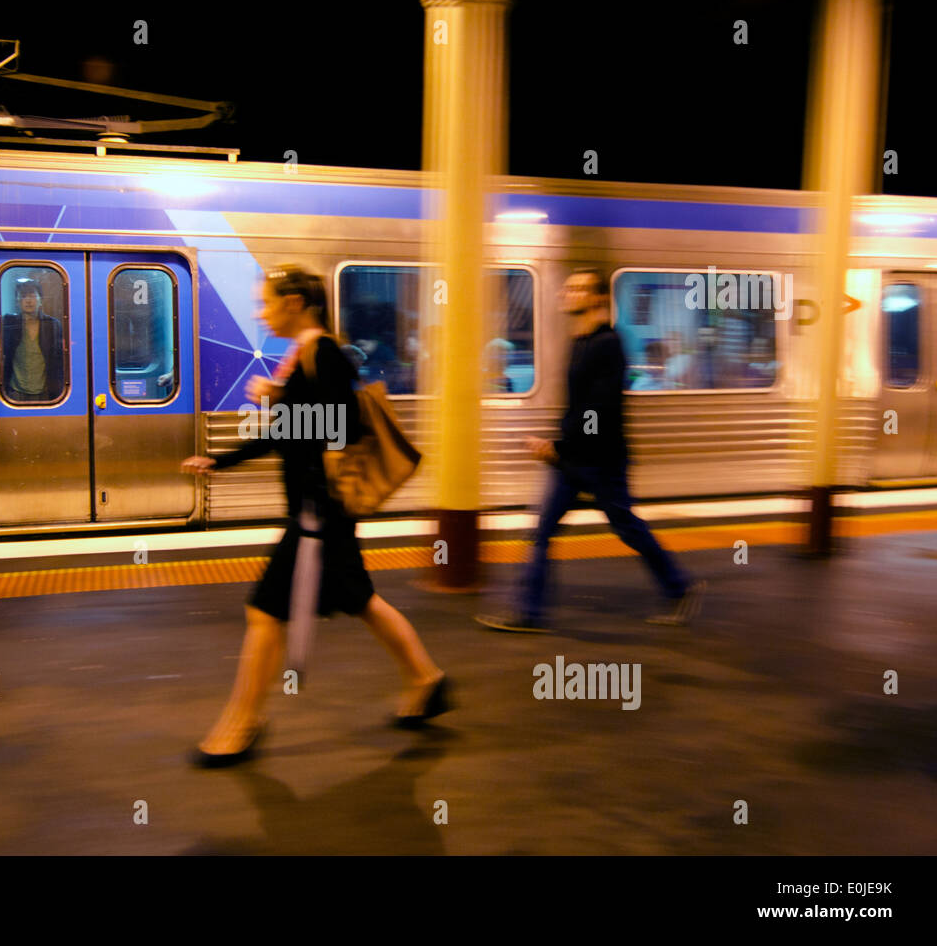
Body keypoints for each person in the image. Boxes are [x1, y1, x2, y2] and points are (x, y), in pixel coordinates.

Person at [181, 264, 449, 766]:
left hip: (317, 518)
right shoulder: (303, 354)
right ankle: (426, 679)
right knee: (362, 599)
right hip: (323, 515)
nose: (261, 311)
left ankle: (243, 723)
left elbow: (339, 427)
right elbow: (289, 433)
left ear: (296, 303)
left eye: (267, 301)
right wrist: (221, 460)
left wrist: (279, 401)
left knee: (264, 611)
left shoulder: (324, 353)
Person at [475, 270, 705, 631]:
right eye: (567, 287)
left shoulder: (607, 344)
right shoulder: (580, 341)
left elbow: (598, 412)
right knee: (542, 530)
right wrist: (563, 449)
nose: (568, 294)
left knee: (627, 528)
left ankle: (680, 587)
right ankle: (528, 612)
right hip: (575, 459)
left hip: (601, 460)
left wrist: (560, 447)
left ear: (597, 298)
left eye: (578, 289)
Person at [0, 279, 64, 402]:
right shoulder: (9, 323)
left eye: (33, 296)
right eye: (23, 296)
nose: (28, 300)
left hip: (45, 391)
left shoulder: (52, 325)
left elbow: (59, 359)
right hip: (15, 392)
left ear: (41, 300)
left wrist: (58, 388)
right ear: (17, 301)